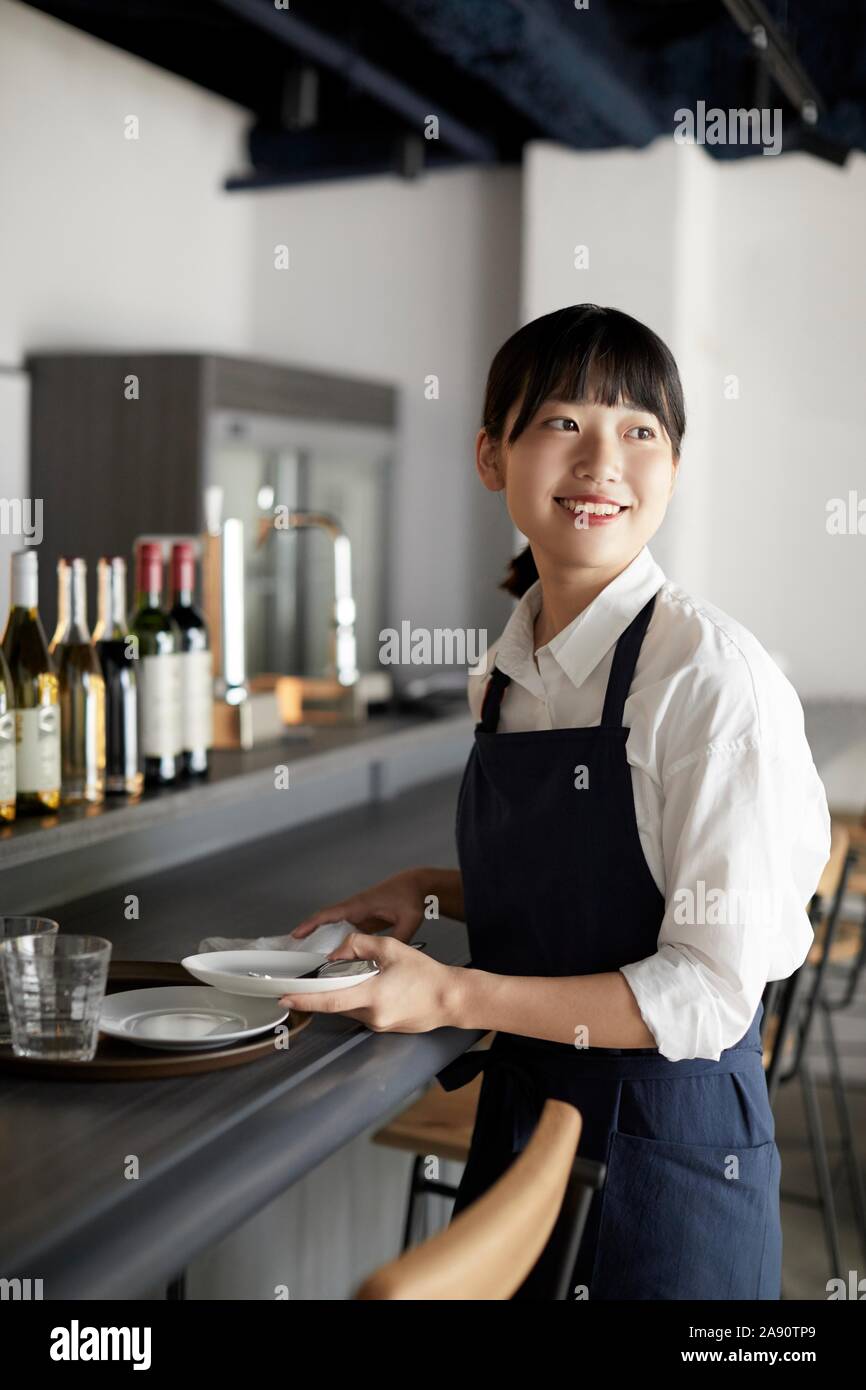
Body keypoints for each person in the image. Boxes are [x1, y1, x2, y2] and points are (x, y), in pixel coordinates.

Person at [284, 304, 831, 1300]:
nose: (600, 462)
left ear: (671, 465)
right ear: (491, 454)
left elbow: (709, 991)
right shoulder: (504, 669)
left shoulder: (708, 683)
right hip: (528, 1128)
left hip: (672, 1162)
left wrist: (450, 993)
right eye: (562, 424)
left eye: (638, 431)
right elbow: (601, 888)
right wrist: (430, 890)